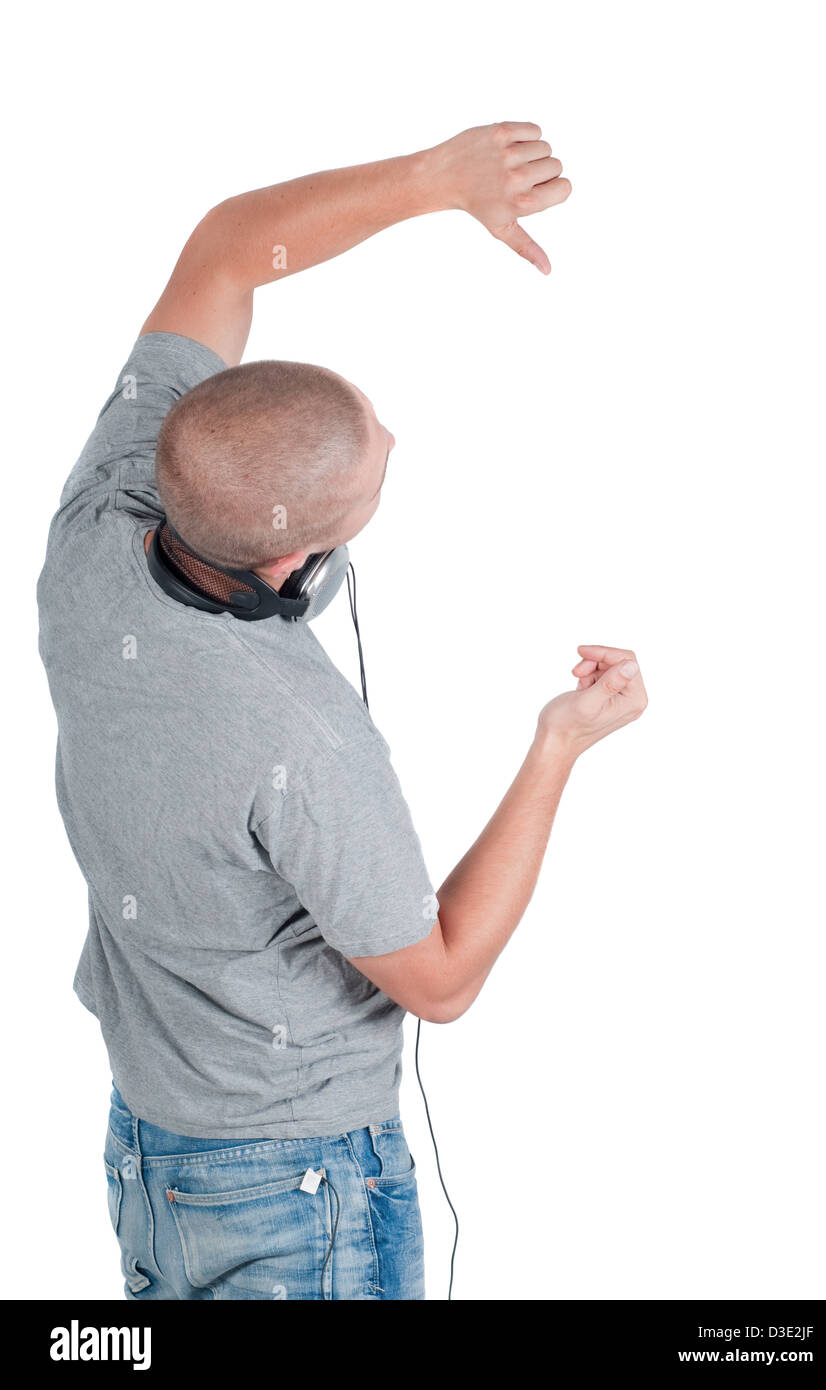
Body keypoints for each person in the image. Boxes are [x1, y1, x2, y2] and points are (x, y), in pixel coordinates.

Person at [37, 120, 647, 1301]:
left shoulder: (97, 528)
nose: (391, 440)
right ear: (298, 567)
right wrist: (557, 745)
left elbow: (221, 251)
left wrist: (433, 179)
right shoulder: (299, 737)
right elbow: (440, 979)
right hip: (296, 1188)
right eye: (371, 466)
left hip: (153, 1148)